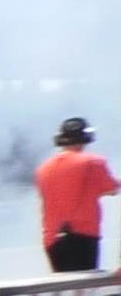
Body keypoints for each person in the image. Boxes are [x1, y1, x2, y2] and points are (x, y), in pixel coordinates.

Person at [35, 117, 119, 273]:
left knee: (65, 289)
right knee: (84, 290)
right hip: (83, 236)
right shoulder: (92, 162)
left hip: (52, 240)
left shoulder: (43, 168)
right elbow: (112, 188)